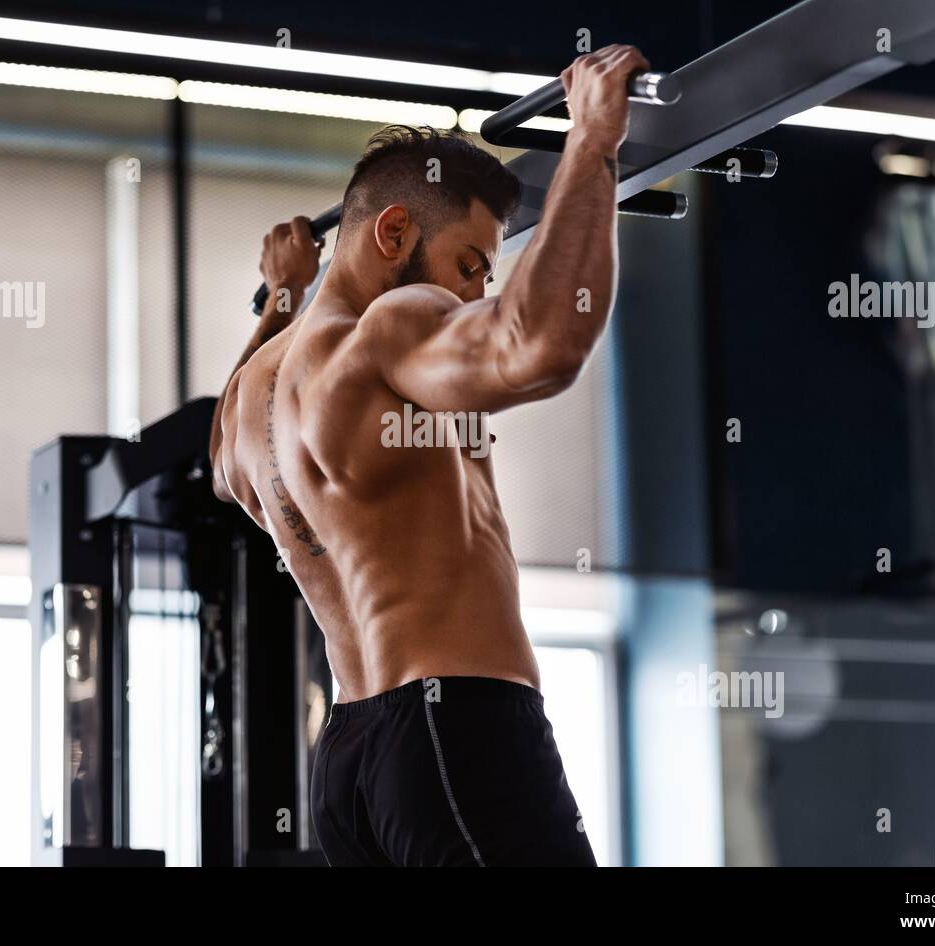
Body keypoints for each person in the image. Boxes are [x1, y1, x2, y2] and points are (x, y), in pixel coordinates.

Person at [209, 44, 648, 865]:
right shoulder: (393, 325)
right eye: (472, 265)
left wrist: (281, 300)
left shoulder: (251, 396)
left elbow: (220, 472)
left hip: (351, 759)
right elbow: (541, 345)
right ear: (396, 230)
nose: (473, 294)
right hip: (460, 728)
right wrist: (591, 142)